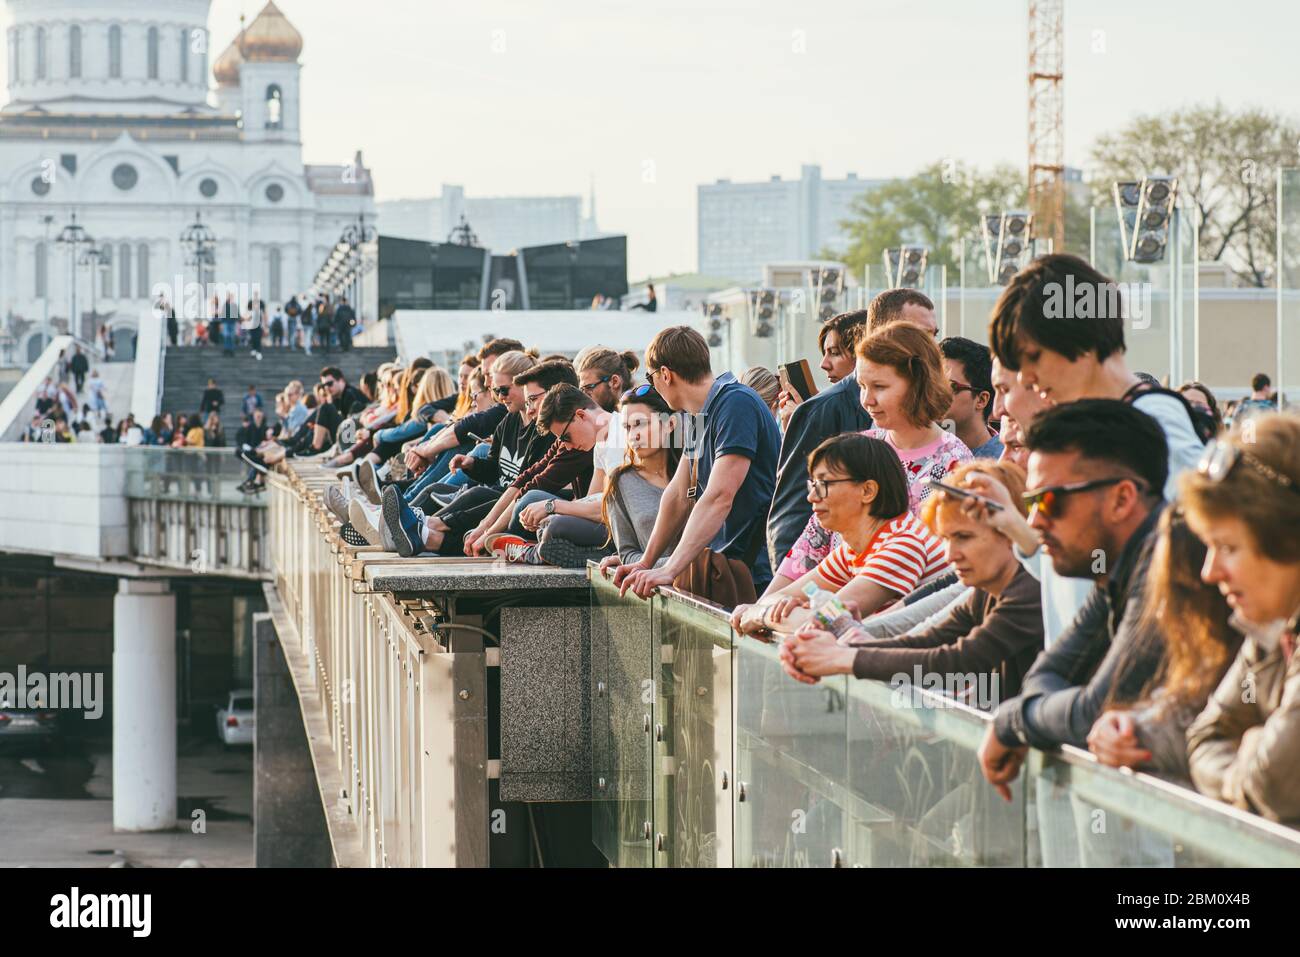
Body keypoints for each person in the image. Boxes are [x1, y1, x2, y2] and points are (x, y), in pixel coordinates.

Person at [976, 400, 1169, 801]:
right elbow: (1047, 674)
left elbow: (1090, 710)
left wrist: (1011, 720)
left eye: (1049, 500)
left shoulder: (1171, 563)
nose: (1033, 522)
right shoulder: (1121, 564)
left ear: (1122, 499)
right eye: (1030, 502)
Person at [780, 458, 1044, 703]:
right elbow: (923, 641)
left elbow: (960, 658)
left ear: (1010, 528)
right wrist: (839, 642)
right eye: (947, 539)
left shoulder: (1029, 589)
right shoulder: (985, 592)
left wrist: (842, 655)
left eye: (964, 537)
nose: (951, 555)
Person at [772, 320, 971, 592]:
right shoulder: (861, 446)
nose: (867, 400)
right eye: (863, 386)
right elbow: (812, 542)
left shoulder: (955, 463)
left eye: (880, 386)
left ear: (917, 383)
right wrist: (766, 603)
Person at [988, 253, 1203, 500]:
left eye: (1034, 357)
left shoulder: (1154, 422)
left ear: (1079, 342)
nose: (1026, 378)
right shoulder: (1111, 421)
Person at [1182, 416, 1300, 823]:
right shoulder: (1272, 626)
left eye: (1227, 547)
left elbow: (1276, 787)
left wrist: (1247, 762)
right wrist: (1247, 765)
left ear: (1288, 539)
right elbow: (1204, 738)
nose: (1209, 572)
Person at [611, 325, 780, 598]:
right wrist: (647, 561)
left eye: (651, 376)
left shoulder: (736, 404)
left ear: (665, 374)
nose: (653, 383)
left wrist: (671, 569)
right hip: (726, 566)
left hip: (755, 571)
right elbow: (679, 493)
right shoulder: (698, 415)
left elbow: (719, 496)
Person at [731, 432, 950, 636]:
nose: (812, 497)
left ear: (867, 491)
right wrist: (782, 608)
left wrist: (760, 615)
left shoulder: (903, 543)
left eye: (824, 484)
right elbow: (778, 597)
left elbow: (824, 625)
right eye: (813, 485)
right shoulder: (856, 547)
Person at [1086, 508, 1239, 779]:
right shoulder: (1201, 659)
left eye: (1181, 590)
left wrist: (1134, 735)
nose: (1164, 610)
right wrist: (1120, 724)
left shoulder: (1256, 651)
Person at [766, 309, 873, 578]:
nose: (824, 364)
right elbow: (791, 511)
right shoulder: (819, 411)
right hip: (824, 580)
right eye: (826, 353)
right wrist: (791, 588)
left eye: (835, 352)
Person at [594, 385, 684, 568]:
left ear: (670, 424)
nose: (633, 435)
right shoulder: (620, 482)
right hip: (658, 587)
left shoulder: (696, 473)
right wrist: (681, 565)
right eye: (627, 427)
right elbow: (627, 554)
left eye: (640, 424)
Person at [939, 337, 1002, 459]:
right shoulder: (915, 450)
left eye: (949, 385)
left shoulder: (1005, 463)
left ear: (981, 400)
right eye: (932, 383)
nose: (935, 392)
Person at [221, 292, 239, 356]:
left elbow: (237, 315)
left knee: (231, 336)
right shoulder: (225, 305)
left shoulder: (234, 305)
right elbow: (223, 315)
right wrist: (222, 324)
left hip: (232, 323)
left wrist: (237, 323)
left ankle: (231, 350)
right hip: (226, 322)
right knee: (226, 336)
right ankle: (226, 349)